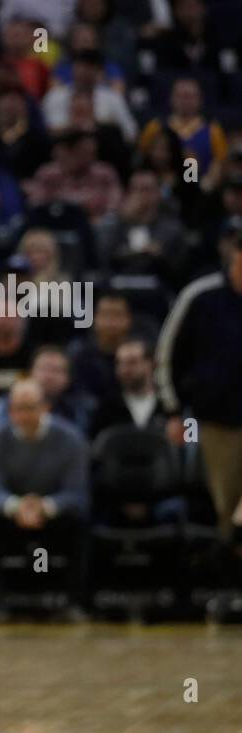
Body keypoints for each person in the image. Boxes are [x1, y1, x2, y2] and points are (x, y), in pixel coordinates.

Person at [156, 217, 242, 544]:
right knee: (227, 509)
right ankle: (229, 568)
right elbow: (168, 354)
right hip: (217, 422)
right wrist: (173, 411)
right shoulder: (200, 295)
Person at [0, 379, 91, 622]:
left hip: (55, 513)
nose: (24, 415)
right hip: (12, 514)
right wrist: (17, 507)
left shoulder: (71, 438)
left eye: (30, 407)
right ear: (10, 411)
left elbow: (76, 491)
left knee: (80, 521)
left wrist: (44, 507)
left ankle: (73, 603)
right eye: (18, 408)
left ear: (45, 407)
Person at [90, 338, 170, 437]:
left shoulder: (168, 405)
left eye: (132, 363)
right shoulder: (107, 409)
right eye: (120, 363)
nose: (124, 370)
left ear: (150, 364)